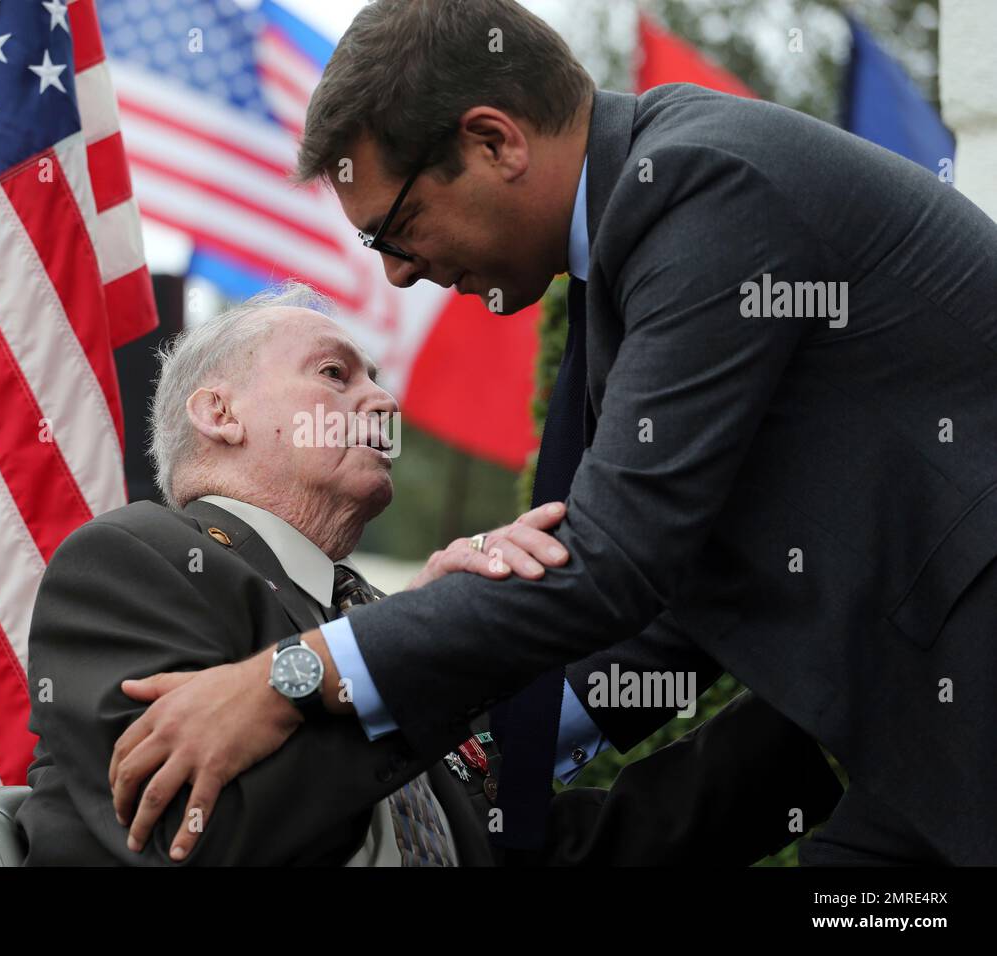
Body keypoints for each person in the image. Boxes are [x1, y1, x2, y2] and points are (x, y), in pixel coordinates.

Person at [109, 0, 997, 866]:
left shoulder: (704, 190)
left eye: (399, 228)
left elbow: (621, 561)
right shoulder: (645, 225)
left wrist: (283, 682)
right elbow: (677, 599)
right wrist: (483, 743)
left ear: (494, 141)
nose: (399, 273)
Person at [18, 285, 840, 865]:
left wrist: (840, 716)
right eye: (336, 374)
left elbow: (538, 848)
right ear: (219, 413)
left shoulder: (371, 616)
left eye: (377, 379)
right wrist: (438, 650)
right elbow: (191, 844)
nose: (384, 404)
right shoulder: (130, 559)